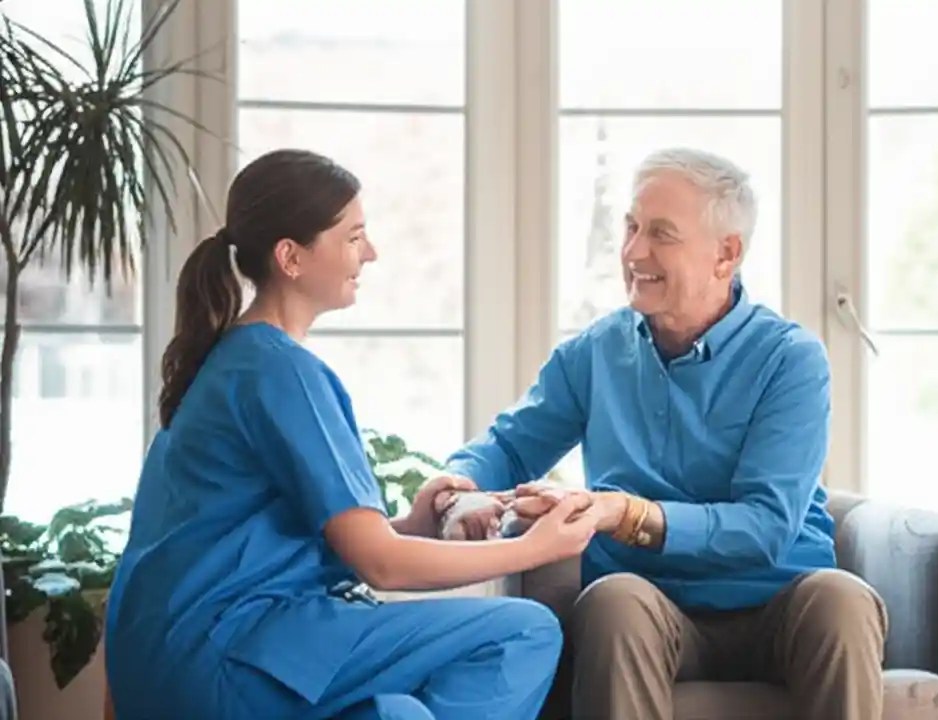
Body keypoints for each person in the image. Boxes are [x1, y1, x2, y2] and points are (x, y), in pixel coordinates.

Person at [104, 149, 598, 720]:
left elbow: (269, 542)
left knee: (396, 715)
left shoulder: (229, 362)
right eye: (352, 237)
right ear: (290, 257)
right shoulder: (282, 371)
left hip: (173, 662)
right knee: (526, 631)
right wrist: (533, 548)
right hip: (228, 660)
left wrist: (410, 527)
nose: (371, 253)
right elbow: (380, 566)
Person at [441, 148, 888, 719]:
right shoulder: (597, 352)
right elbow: (507, 445)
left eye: (661, 234)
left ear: (726, 254)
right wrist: (459, 488)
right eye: (631, 227)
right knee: (614, 601)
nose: (632, 252)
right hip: (651, 608)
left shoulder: (789, 359)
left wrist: (624, 513)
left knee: (842, 599)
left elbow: (766, 526)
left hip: (780, 603)